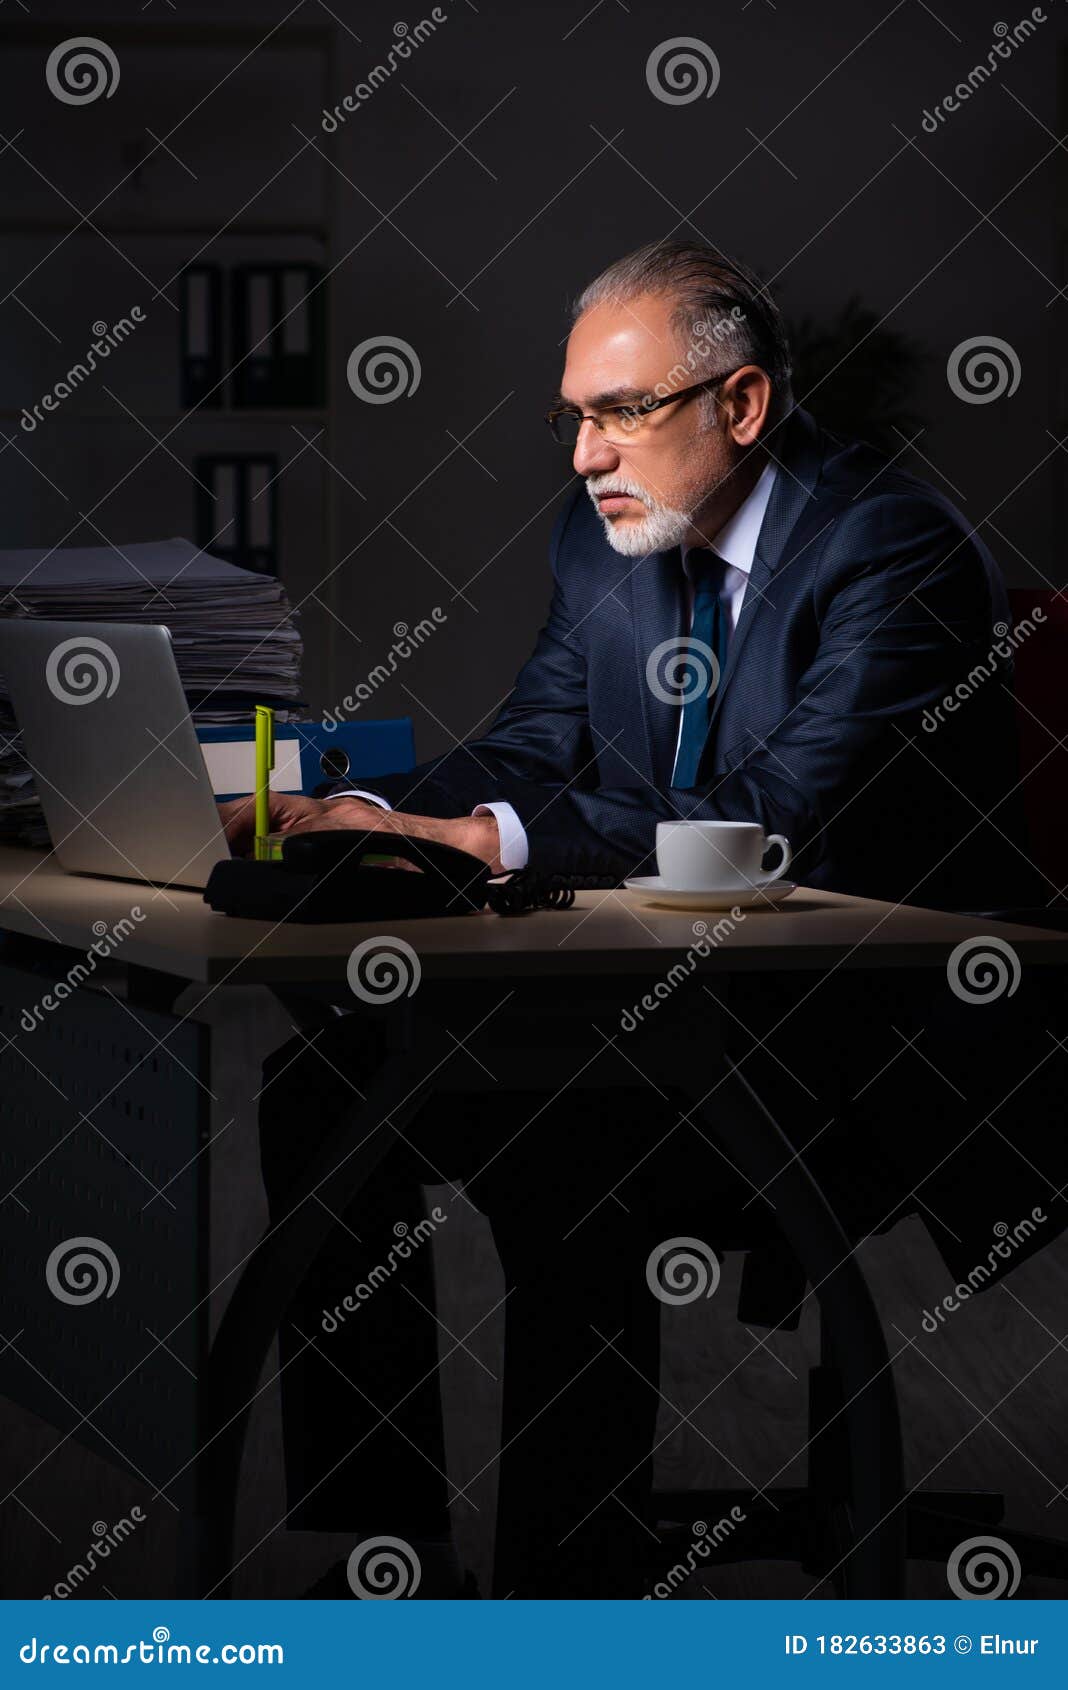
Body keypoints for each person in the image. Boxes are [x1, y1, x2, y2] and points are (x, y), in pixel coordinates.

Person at [221, 241, 1041, 1597]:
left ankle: (568, 1594)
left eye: (623, 411)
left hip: (862, 1037)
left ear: (743, 404)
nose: (586, 453)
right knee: (322, 1091)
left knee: (572, 1151)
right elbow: (530, 748)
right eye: (574, 416)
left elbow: (771, 820)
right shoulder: (609, 536)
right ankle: (383, 1562)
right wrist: (356, 812)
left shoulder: (890, 548)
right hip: (669, 1002)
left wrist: (484, 842)